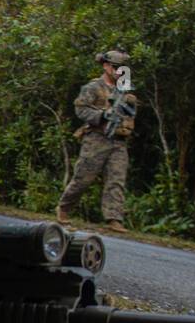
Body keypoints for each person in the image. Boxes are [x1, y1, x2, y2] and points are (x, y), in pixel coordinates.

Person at [56, 50, 137, 234]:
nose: (119, 71)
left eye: (122, 68)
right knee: (83, 178)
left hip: (118, 141)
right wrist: (101, 115)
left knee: (116, 180)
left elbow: (130, 113)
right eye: (116, 67)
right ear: (106, 66)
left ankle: (114, 218)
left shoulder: (124, 88)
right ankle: (64, 209)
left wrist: (129, 107)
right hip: (96, 138)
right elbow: (80, 109)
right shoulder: (93, 87)